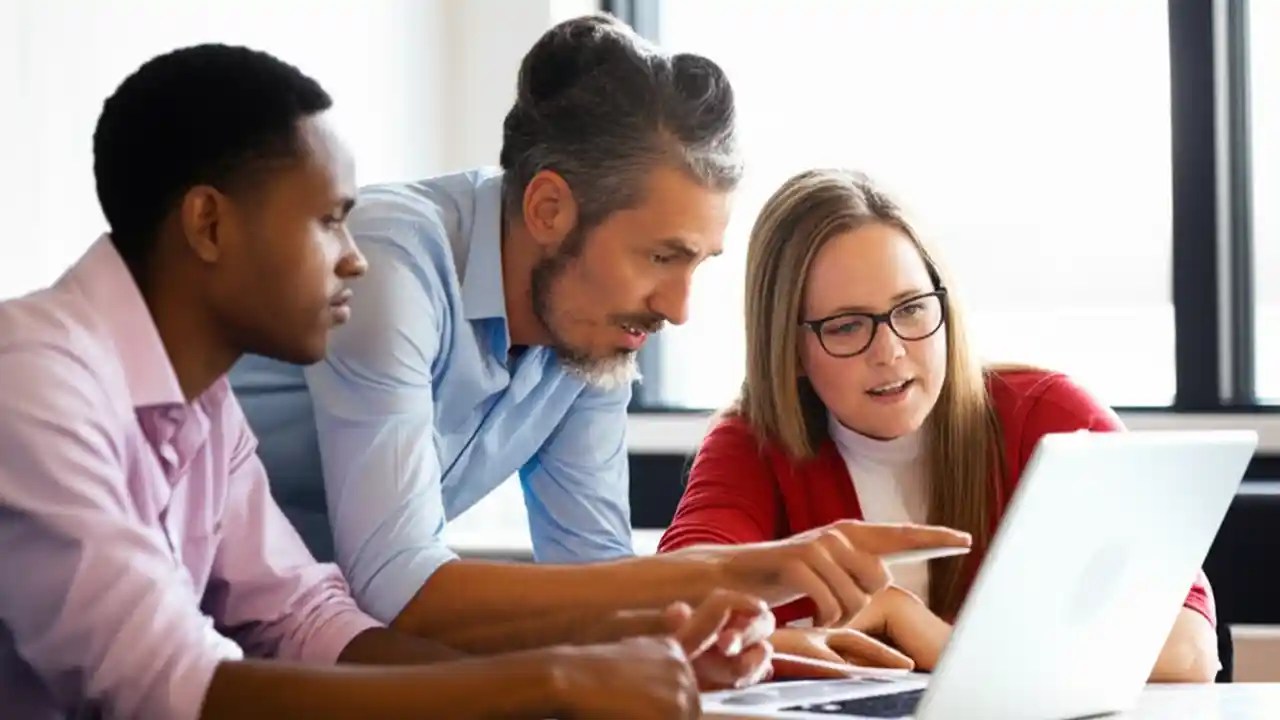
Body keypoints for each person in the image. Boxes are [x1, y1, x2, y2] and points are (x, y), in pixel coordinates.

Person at [0, 43, 785, 720]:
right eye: (327, 220)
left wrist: (615, 678)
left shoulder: (206, 414)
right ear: (210, 225)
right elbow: (173, 687)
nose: (353, 255)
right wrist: (556, 681)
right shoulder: (33, 380)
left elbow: (310, 622)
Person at [230, 13, 971, 654]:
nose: (678, 308)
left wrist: (774, 645)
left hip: (301, 630)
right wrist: (740, 568)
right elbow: (398, 584)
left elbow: (592, 581)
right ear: (550, 208)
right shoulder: (391, 264)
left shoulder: (585, 333)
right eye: (660, 256)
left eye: (698, 263)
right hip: (187, 614)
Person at [658, 168, 1222, 683]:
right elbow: (668, 623)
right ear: (790, 348)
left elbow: (1189, 649)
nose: (891, 351)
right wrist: (810, 641)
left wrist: (925, 634)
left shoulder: (1049, 417)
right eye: (848, 326)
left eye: (910, 309)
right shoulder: (752, 443)